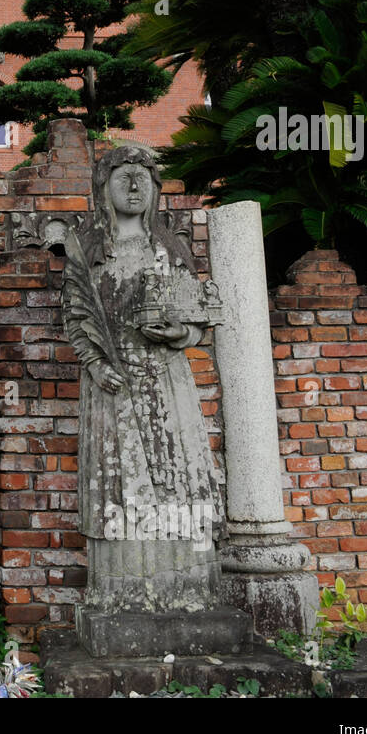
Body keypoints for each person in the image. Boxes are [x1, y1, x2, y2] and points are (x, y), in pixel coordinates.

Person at [62, 144, 225, 612]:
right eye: (122, 178)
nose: (134, 187)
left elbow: (197, 315)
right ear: (103, 188)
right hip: (111, 385)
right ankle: (122, 588)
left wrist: (181, 333)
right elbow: (75, 319)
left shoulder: (170, 246)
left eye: (143, 178)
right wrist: (96, 366)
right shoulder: (86, 248)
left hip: (167, 381)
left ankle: (187, 588)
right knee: (120, 479)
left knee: (177, 475)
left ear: (155, 189)